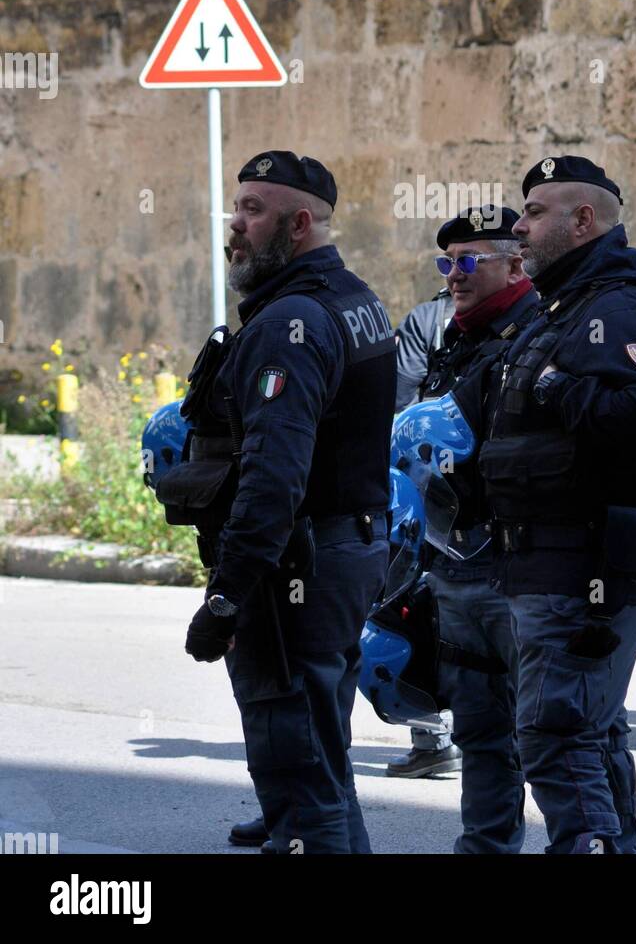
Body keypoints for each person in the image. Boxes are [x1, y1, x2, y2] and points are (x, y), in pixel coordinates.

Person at [460, 157, 636, 854]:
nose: (519, 227)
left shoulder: (614, 311)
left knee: (556, 735)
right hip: (541, 561)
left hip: (581, 566)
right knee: (587, 729)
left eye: (534, 212)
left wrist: (557, 389)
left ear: (582, 220)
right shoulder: (561, 311)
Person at [177, 151, 395, 851]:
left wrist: (225, 597)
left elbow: (273, 478)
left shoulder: (290, 322)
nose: (233, 225)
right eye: (236, 207)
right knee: (318, 760)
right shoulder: (354, 299)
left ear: (299, 223)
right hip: (341, 548)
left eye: (252, 211)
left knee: (300, 770)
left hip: (297, 565)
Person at [395, 207, 539, 850]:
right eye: (446, 262)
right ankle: (485, 847)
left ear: (515, 261)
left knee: (560, 734)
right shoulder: (453, 335)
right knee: (480, 730)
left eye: (469, 260)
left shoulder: (539, 331)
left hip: (520, 567)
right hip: (455, 561)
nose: (454, 274)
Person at [387, 285, 460, 778]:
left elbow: (398, 396)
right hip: (500, 490)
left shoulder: (430, 318)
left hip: (430, 483)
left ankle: (434, 738)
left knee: (420, 604)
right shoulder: (542, 313)